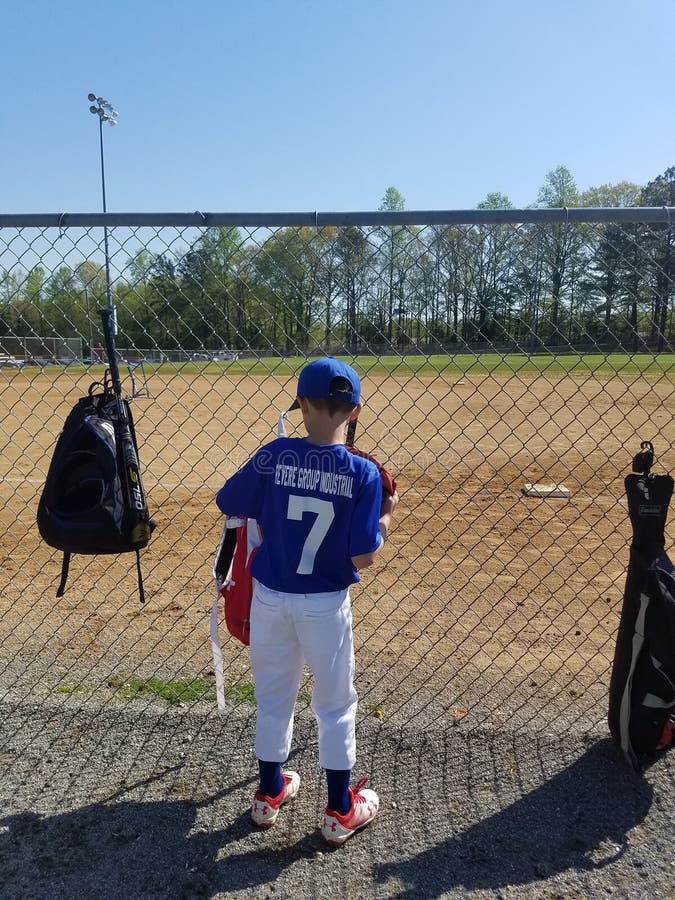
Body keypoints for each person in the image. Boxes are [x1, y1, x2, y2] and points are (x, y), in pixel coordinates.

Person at [216, 357, 398, 846]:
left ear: (300, 403)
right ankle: (340, 809)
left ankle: (269, 793)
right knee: (336, 704)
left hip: (271, 598)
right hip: (324, 604)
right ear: (355, 410)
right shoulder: (362, 472)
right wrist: (384, 520)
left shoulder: (275, 455)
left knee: (274, 698)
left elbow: (228, 499)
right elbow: (365, 556)